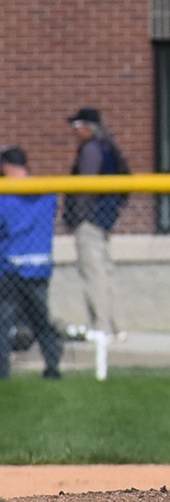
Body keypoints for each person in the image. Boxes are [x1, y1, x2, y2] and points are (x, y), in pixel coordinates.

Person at [64, 107, 127, 341]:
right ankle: (118, 326)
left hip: (90, 222)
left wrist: (77, 217)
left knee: (93, 274)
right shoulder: (107, 146)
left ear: (87, 128)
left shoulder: (91, 150)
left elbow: (85, 188)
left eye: (76, 126)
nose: (74, 131)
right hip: (102, 220)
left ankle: (102, 326)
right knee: (105, 272)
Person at [0, 146, 63, 379]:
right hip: (39, 267)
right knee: (41, 321)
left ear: (7, 166)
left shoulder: (4, 195)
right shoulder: (46, 192)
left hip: (10, 268)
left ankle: (2, 372)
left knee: (3, 322)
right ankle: (52, 367)